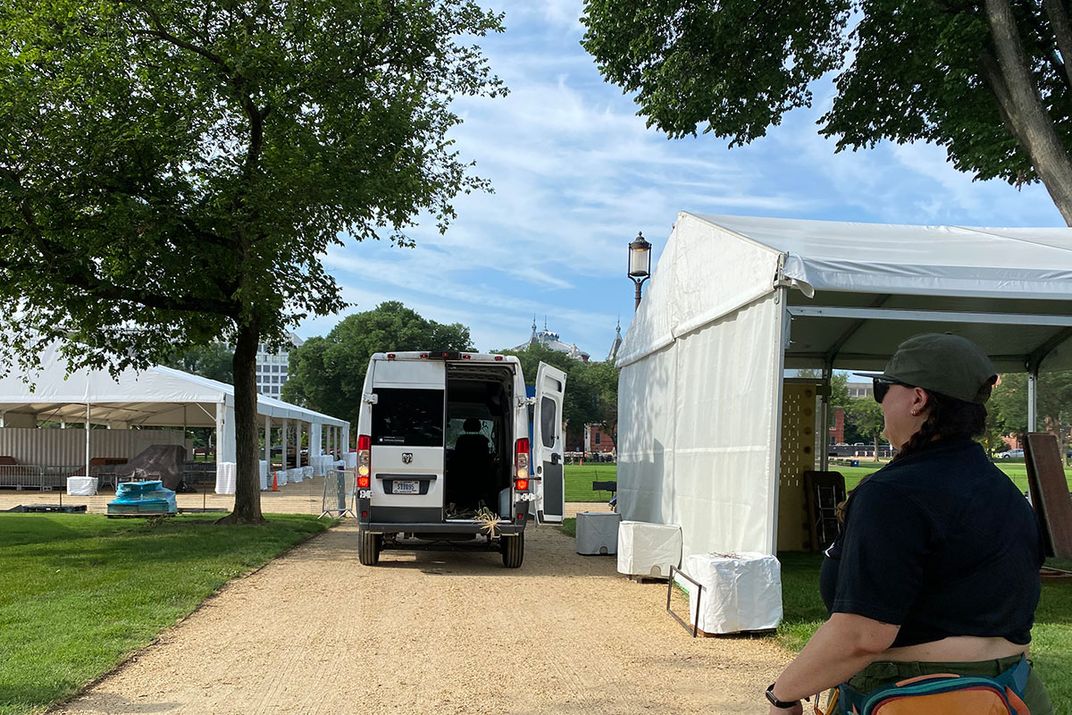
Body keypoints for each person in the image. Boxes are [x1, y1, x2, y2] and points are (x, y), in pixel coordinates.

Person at [764, 333, 1051, 714]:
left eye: (883, 388)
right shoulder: (1000, 488)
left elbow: (862, 634)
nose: (881, 400)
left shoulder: (893, 493)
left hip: (924, 698)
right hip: (1013, 690)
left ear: (918, 399)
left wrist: (782, 695)